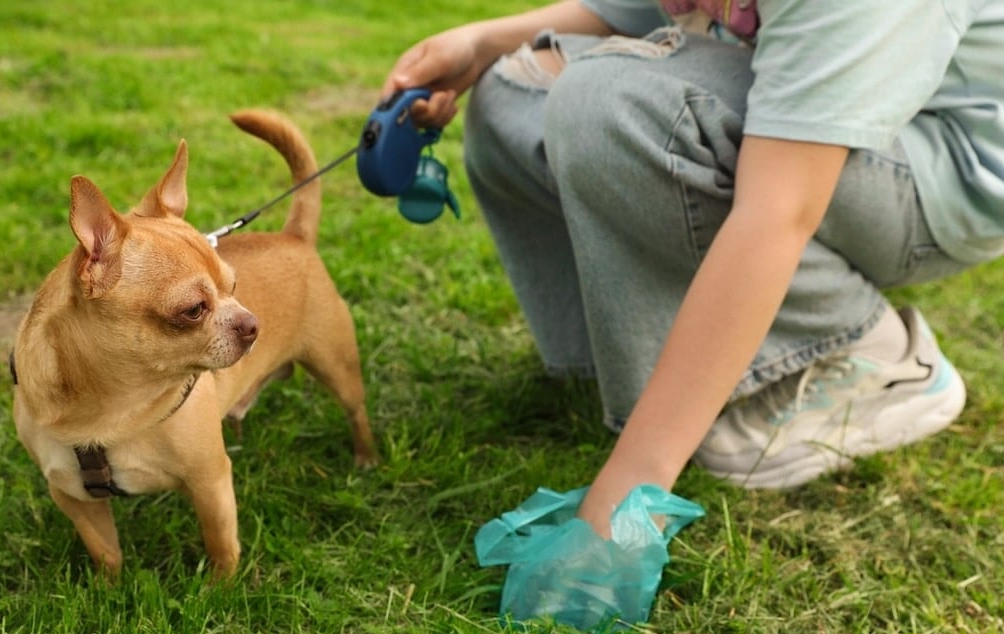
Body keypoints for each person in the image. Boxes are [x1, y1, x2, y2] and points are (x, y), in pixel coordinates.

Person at [381, 0, 1002, 551]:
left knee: (611, 101)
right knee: (516, 88)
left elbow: (777, 212)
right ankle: (639, 360)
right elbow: (627, 13)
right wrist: (484, 42)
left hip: (938, 169)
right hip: (827, 121)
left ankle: (855, 349)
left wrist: (630, 494)